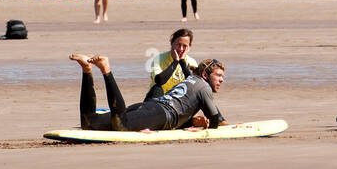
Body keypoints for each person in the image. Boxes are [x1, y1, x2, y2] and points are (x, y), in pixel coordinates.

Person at [69, 53, 228, 132]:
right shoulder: (204, 87)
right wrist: (208, 129)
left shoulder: (191, 80)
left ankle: (86, 70)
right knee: (121, 125)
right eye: (219, 76)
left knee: (89, 123)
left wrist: (193, 122)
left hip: (149, 107)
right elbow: (214, 120)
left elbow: (181, 109)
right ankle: (106, 71)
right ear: (206, 75)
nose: (222, 80)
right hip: (159, 114)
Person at [145, 28, 198, 100]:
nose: (181, 49)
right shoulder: (158, 59)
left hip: (178, 100)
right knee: (157, 88)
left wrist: (182, 62)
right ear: (171, 43)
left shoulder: (192, 63)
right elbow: (159, 81)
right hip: (158, 98)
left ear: (189, 47)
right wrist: (175, 62)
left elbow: (194, 85)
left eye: (185, 46)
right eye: (178, 45)